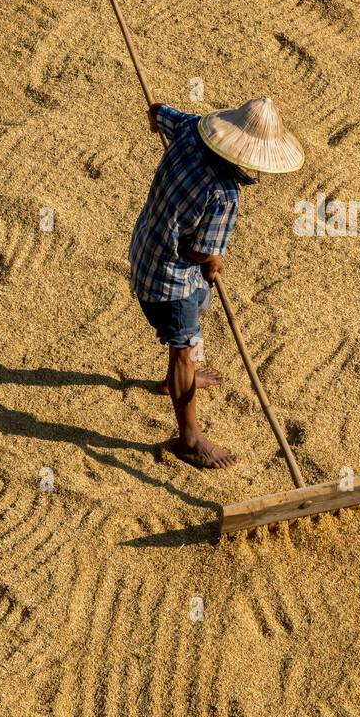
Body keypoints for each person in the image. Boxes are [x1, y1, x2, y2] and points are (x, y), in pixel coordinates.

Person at [129, 96, 304, 469]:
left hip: (144, 248)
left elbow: (159, 112)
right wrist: (213, 260)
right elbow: (197, 252)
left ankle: (175, 380)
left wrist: (156, 119)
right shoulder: (224, 195)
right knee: (184, 343)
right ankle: (189, 440)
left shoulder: (192, 129)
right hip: (168, 281)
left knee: (196, 314)